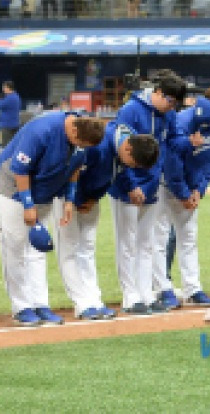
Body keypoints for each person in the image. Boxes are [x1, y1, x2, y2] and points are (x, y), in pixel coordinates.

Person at [0, 111, 105, 326]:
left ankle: (40, 304)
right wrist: (27, 204)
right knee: (15, 245)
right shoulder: (41, 131)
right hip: (13, 188)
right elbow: (20, 169)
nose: (84, 147)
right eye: (81, 142)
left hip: (45, 191)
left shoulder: (82, 135)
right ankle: (21, 307)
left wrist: (69, 200)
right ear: (73, 129)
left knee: (38, 247)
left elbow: (75, 170)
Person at [110, 73, 191, 315]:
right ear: (156, 91)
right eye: (169, 100)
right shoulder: (130, 111)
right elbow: (121, 152)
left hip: (153, 184)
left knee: (146, 243)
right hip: (128, 185)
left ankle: (146, 294)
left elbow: (175, 140)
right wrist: (131, 184)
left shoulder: (169, 114)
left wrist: (191, 142)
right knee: (127, 243)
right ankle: (130, 296)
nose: (171, 106)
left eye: (176, 103)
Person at [154, 86, 210, 310]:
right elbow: (172, 162)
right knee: (160, 238)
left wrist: (199, 189)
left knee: (189, 238)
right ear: (209, 108)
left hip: (189, 189)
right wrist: (183, 193)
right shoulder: (182, 122)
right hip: (165, 185)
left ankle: (193, 289)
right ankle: (163, 289)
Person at [69, 123, 159, 319]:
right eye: (133, 162)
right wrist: (73, 199)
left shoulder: (126, 144)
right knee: (70, 250)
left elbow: (120, 170)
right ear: (127, 147)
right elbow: (73, 169)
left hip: (90, 199)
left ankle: (93, 300)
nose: (132, 166)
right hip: (70, 198)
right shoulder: (98, 146)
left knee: (87, 249)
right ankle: (81, 304)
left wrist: (130, 187)